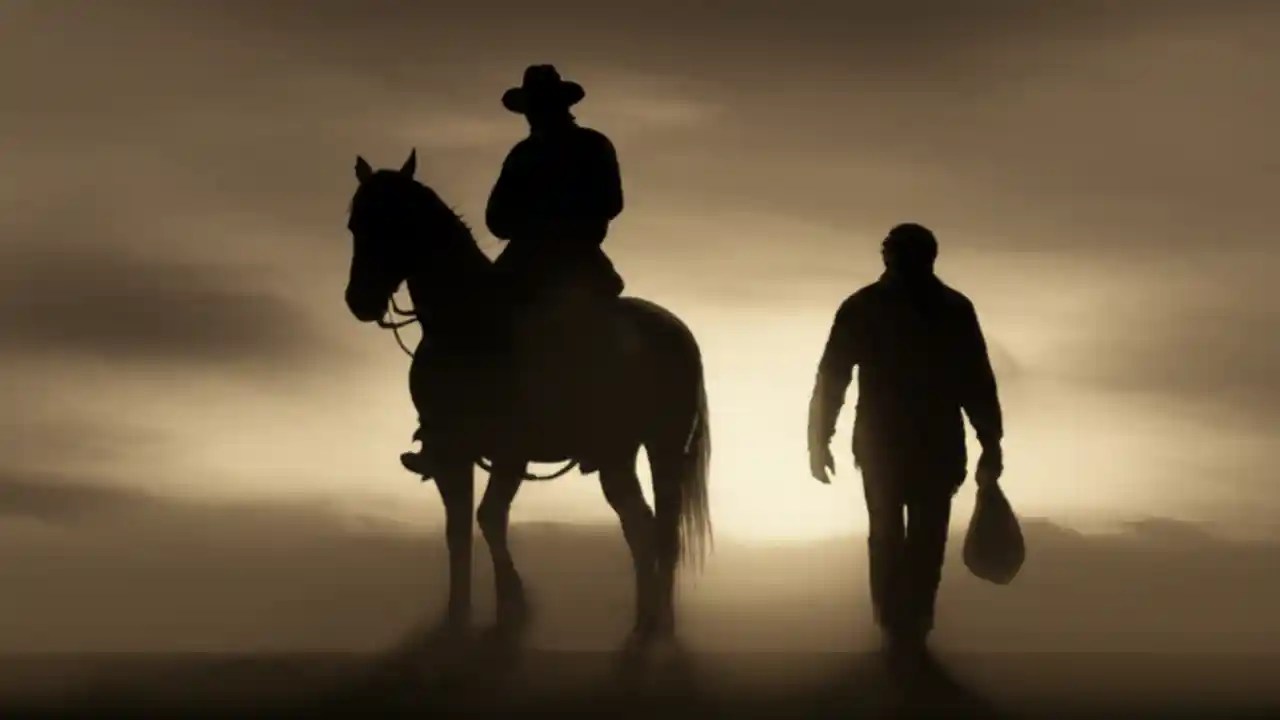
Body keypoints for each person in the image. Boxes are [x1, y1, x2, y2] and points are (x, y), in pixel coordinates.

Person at [399, 64, 625, 477]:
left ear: (559, 106)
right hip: (523, 261)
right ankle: (442, 429)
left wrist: (553, 218)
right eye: (533, 107)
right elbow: (496, 218)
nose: (535, 114)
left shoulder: (592, 146)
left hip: (576, 260)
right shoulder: (522, 155)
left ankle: (599, 425)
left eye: (541, 106)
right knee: (468, 325)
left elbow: (610, 202)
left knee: (580, 330)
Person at [807, 223, 1004, 659]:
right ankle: (907, 627)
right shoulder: (950, 308)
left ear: (888, 257)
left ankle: (900, 627)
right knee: (917, 538)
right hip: (920, 442)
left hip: (892, 441)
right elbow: (977, 379)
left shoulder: (867, 306)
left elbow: (833, 376)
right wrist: (990, 439)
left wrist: (819, 438)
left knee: (895, 536)